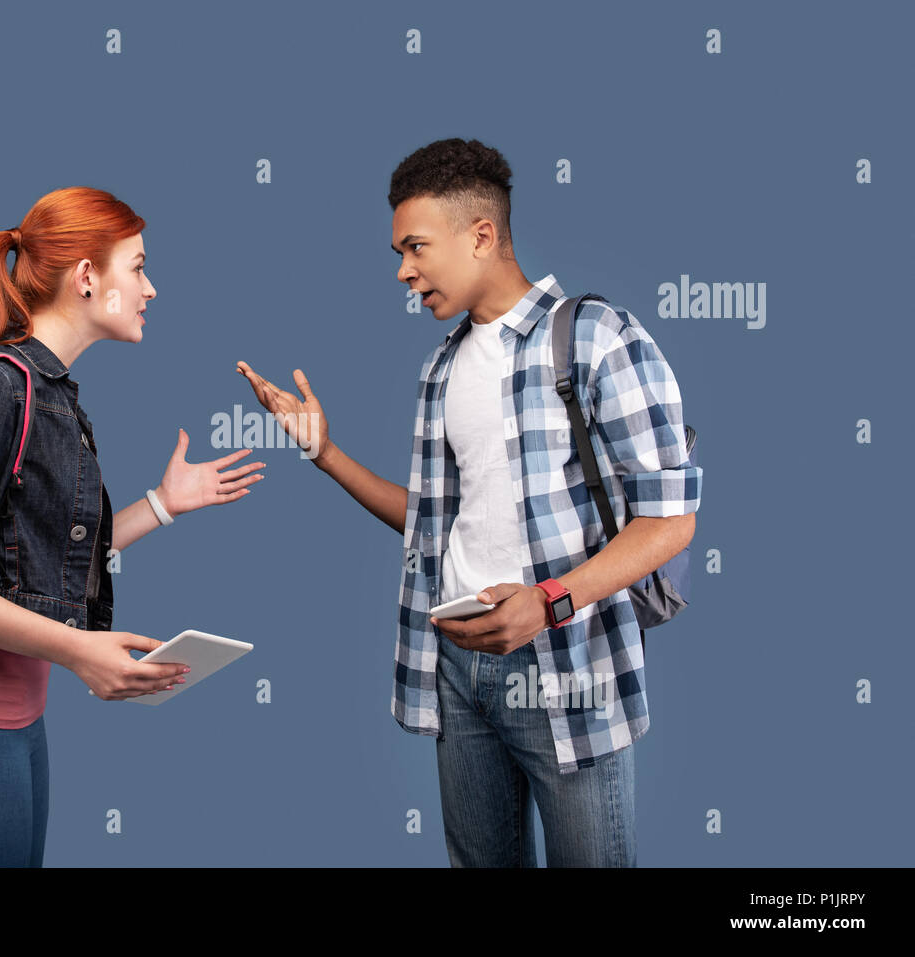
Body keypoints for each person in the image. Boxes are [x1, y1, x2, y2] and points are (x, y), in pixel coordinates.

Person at [236, 138, 701, 867]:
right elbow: (432, 525)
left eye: (415, 246)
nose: (403, 271)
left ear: (481, 235)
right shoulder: (443, 366)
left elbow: (672, 518)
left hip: (567, 667)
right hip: (459, 670)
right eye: (399, 251)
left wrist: (548, 600)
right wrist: (325, 453)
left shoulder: (595, 337)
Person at [0, 186, 265, 867]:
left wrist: (164, 503)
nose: (152, 287)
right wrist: (78, 649)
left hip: (15, 730)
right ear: (88, 276)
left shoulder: (48, 395)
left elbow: (25, 559)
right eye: (138, 267)